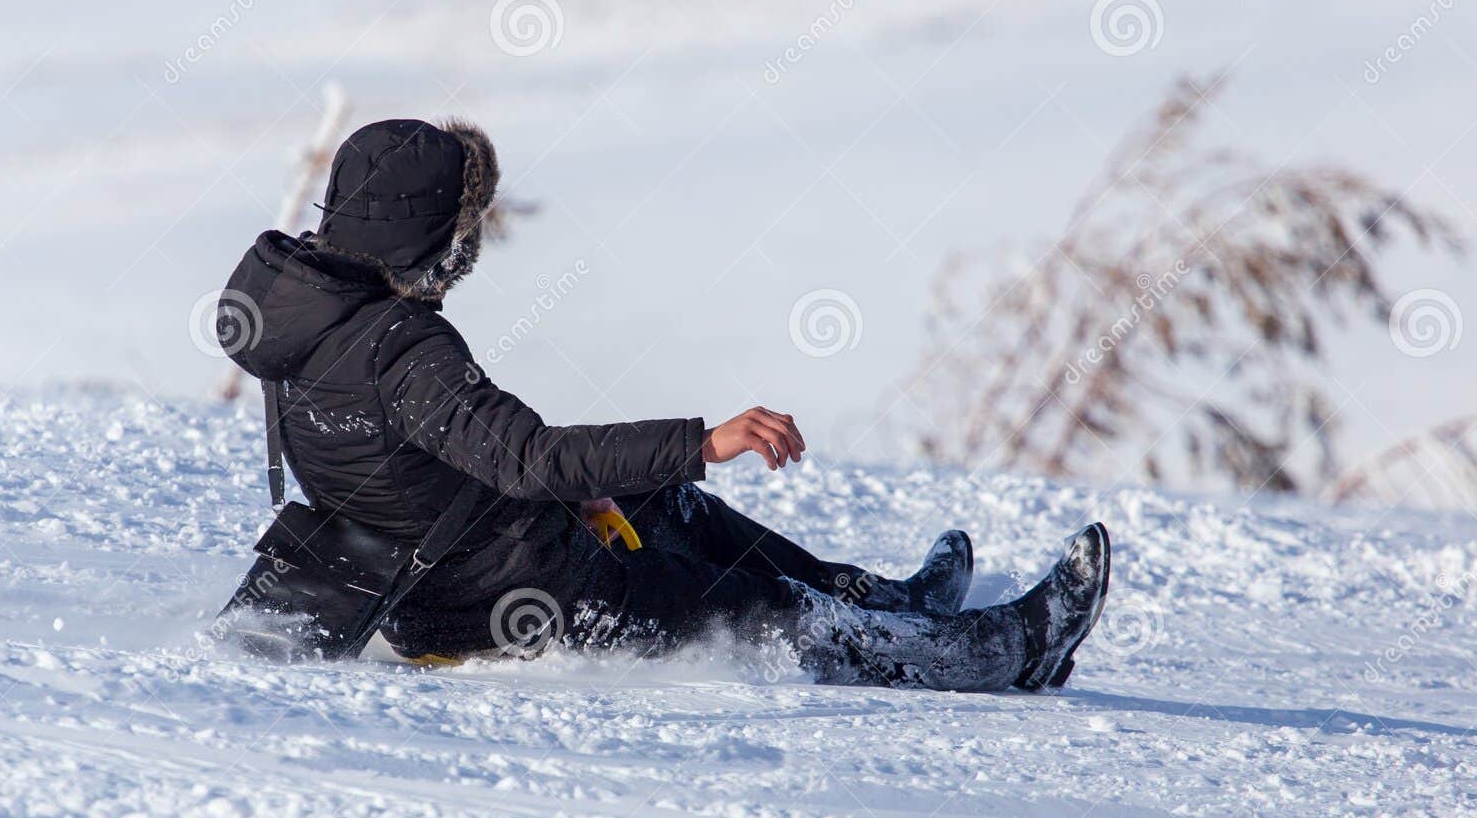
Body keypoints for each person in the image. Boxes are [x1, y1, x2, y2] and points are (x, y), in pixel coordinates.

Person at [218, 118, 1109, 691]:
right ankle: (998, 655)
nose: (468, 253)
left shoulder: (308, 317)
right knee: (766, 616)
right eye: (462, 233)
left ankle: (887, 600)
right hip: (511, 603)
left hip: (449, 573)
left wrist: (578, 493)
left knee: (663, 507)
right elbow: (524, 456)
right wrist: (703, 438)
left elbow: (419, 462)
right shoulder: (401, 346)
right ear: (424, 238)